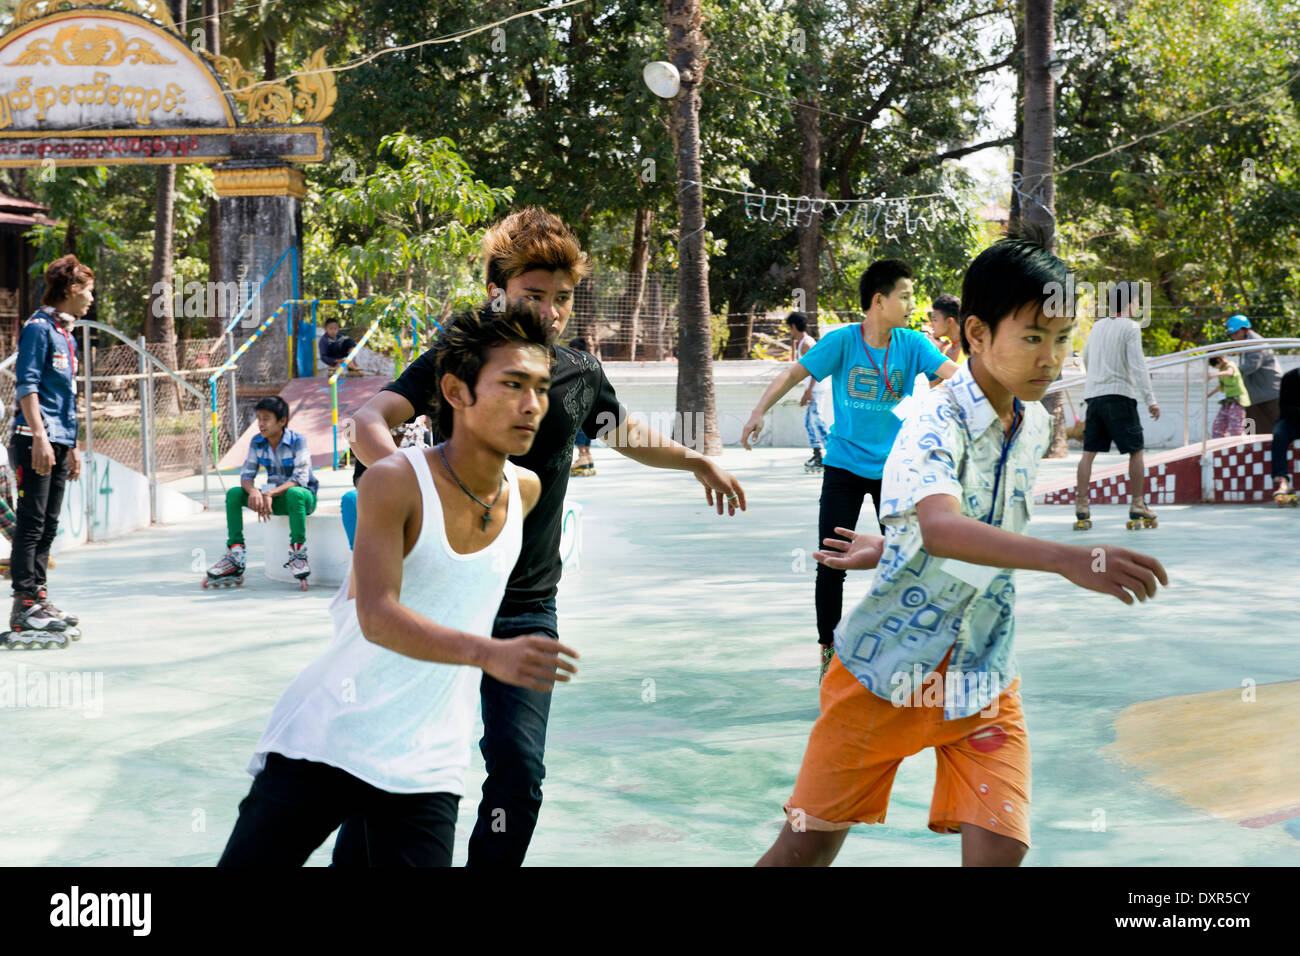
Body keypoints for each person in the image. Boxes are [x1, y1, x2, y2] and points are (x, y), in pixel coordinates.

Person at [346, 206, 746, 867]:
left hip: (528, 605)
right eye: (535, 295)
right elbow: (371, 415)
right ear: (498, 291)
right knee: (407, 764)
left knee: (518, 776)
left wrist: (694, 459)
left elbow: (620, 431)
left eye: (563, 298)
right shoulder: (459, 357)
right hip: (439, 596)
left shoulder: (578, 373)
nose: (552, 311)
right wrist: (401, 477)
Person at [755, 235, 1168, 868]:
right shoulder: (929, 418)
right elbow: (945, 526)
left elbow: (951, 524)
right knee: (800, 854)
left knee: (1001, 851)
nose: (1051, 358)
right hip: (881, 671)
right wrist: (1068, 558)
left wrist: (894, 546)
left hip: (983, 674)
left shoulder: (1035, 424)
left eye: (1062, 339)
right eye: (1032, 337)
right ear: (976, 333)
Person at [219, 302, 577, 866]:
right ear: (456, 392)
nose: (532, 404)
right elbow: (377, 615)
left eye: (540, 386)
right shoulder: (393, 483)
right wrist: (489, 653)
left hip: (423, 764)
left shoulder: (525, 490)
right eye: (512, 384)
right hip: (331, 740)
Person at [741, 260, 960, 680]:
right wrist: (758, 411)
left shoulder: (913, 344)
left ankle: (902, 649)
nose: (913, 303)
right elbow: (793, 373)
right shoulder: (842, 342)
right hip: (842, 465)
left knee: (903, 558)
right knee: (831, 559)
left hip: (893, 472)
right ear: (879, 301)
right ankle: (829, 652)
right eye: (906, 295)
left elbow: (956, 377)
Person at [7, 254, 89, 646]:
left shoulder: (66, 335)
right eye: (88, 290)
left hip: (58, 439)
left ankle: (38, 597)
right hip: (32, 439)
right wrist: (39, 436)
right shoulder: (38, 329)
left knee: (49, 523)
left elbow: (67, 396)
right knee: (31, 521)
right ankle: (23, 604)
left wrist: (71, 444)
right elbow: (27, 385)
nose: (91, 298)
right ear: (71, 289)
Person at [205, 396, 319, 588]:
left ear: (282, 421)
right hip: (273, 498)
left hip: (302, 498)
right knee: (234, 493)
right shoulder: (257, 442)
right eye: (259, 418)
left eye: (266, 418)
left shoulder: (298, 441)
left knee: (295, 493)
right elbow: (246, 475)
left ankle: (298, 553)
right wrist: (254, 492)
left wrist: (269, 493)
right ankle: (236, 553)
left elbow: (300, 479)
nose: (260, 424)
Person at [1074, 294, 1160, 531]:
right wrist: (1150, 399)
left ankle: (1082, 505)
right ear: (1129, 303)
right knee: (1136, 451)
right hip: (1120, 395)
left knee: (1088, 452)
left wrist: (1096, 382)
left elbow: (1086, 358)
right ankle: (1138, 503)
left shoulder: (1097, 326)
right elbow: (1137, 365)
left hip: (1095, 397)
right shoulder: (1131, 327)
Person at [341, 414, 431, 549]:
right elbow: (359, 477)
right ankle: (362, 555)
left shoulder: (423, 435)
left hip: (416, 489)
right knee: (350, 498)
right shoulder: (371, 434)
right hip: (378, 488)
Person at [785, 312, 830, 473]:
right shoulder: (802, 343)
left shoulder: (807, 344)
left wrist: (809, 392)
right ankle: (817, 454)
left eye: (789, 328)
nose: (789, 331)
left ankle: (833, 452)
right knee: (809, 423)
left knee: (816, 420)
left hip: (817, 388)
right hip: (812, 388)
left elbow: (815, 368)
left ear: (794, 326)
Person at [1226, 314, 1282, 436]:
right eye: (1231, 335)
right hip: (1254, 397)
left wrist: (1231, 370)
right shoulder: (1246, 343)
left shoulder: (1256, 342)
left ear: (1244, 329)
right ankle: (1254, 453)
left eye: (1236, 333)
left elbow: (1252, 365)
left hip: (1269, 395)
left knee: (1280, 428)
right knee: (1253, 432)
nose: (1233, 337)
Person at [1271, 367, 1300, 502]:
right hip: (1291, 421)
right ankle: (1282, 479)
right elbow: (1285, 407)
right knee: (1279, 434)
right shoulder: (1289, 377)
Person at [568, 337, 596, 476]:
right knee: (585, 427)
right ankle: (588, 456)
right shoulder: (593, 360)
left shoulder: (576, 361)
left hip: (580, 400)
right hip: (590, 401)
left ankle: (582, 456)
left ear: (576, 349)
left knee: (579, 427)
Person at [1207, 355, 1251, 438]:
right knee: (1218, 425)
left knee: (1235, 424)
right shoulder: (1221, 370)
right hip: (1227, 400)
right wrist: (1209, 394)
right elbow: (1221, 386)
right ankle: (1218, 444)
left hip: (1237, 399)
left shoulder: (1230, 365)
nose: (1216, 368)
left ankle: (1239, 444)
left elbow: (1229, 373)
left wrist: (1215, 374)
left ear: (1220, 360)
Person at [928, 293, 965, 364]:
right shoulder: (944, 350)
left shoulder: (972, 351)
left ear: (949, 321)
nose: (931, 325)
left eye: (934, 320)